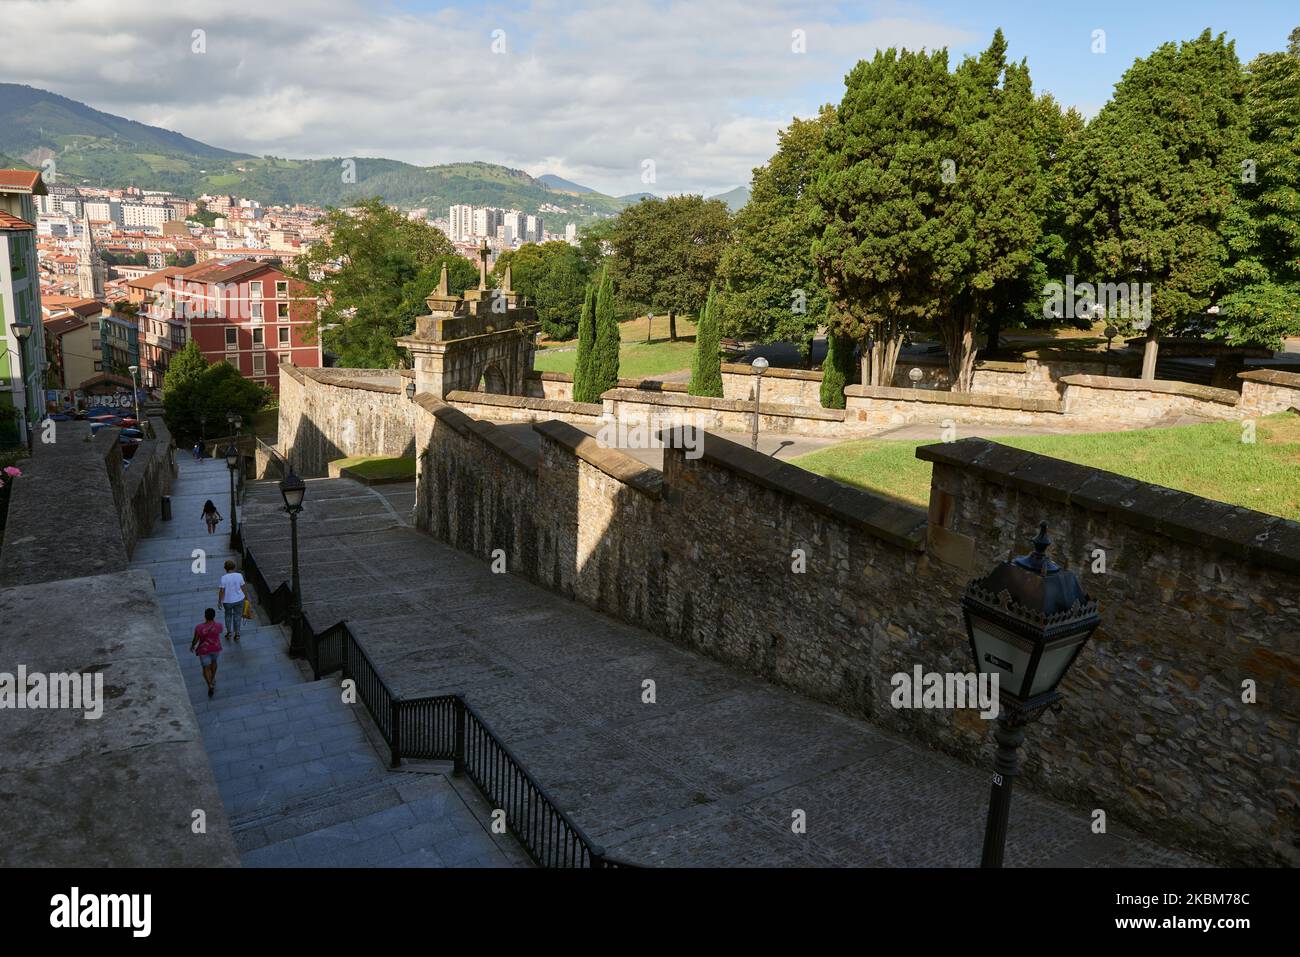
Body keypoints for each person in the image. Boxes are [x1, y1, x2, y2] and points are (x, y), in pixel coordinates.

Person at [190, 607, 224, 697]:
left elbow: (196, 639)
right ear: (214, 616)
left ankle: (210, 685)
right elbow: (220, 632)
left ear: (205, 616)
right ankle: (213, 678)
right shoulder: (219, 626)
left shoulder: (199, 627)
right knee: (214, 662)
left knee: (205, 667)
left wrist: (192, 646)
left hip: (204, 650)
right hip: (216, 648)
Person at [218, 559, 247, 642]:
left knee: (228, 616)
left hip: (227, 601)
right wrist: (246, 597)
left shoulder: (223, 578)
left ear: (225, 568)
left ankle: (229, 632)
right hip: (239, 599)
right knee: (237, 616)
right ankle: (237, 634)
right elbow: (243, 587)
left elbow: (222, 591)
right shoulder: (239, 575)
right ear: (234, 567)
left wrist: (219, 601)